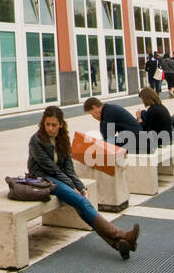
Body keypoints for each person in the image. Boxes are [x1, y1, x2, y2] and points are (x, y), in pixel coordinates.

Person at [27, 107, 139, 260]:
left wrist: (80, 186)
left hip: (58, 177)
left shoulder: (63, 139)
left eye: (54, 125)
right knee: (80, 201)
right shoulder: (36, 140)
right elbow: (51, 169)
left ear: (60, 124)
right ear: (43, 124)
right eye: (47, 124)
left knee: (81, 203)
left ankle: (119, 244)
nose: (50, 128)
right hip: (42, 178)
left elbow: (68, 168)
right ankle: (121, 235)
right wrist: (73, 187)